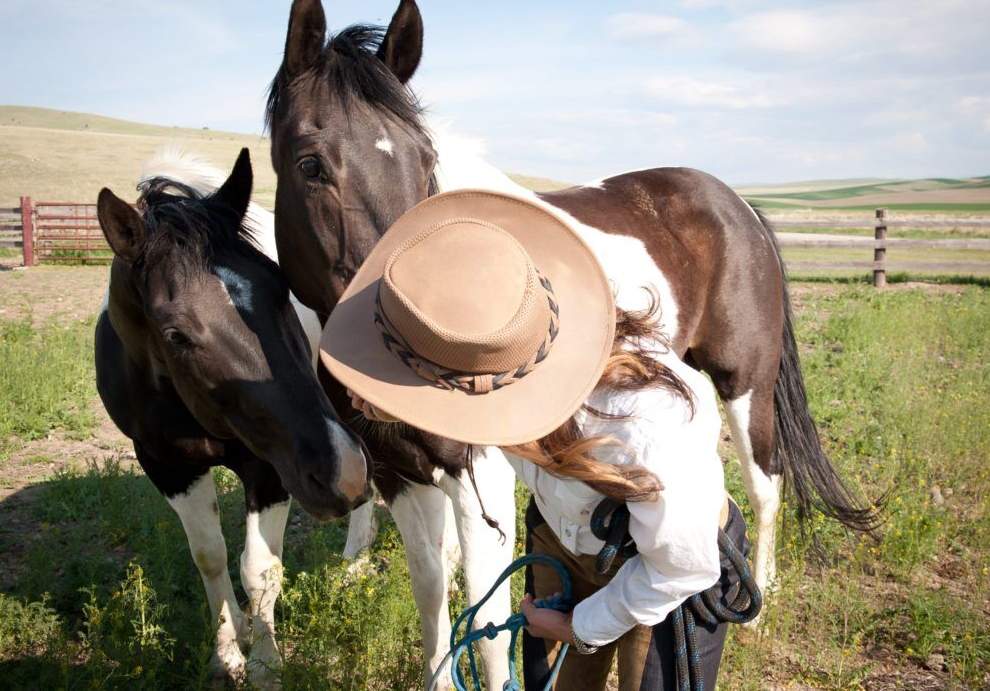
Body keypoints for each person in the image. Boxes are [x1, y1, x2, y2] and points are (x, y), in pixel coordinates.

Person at [318, 189, 753, 690]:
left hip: (660, 570)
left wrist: (576, 626)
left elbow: (681, 568)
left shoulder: (647, 428)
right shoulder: (503, 337)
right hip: (565, 536)